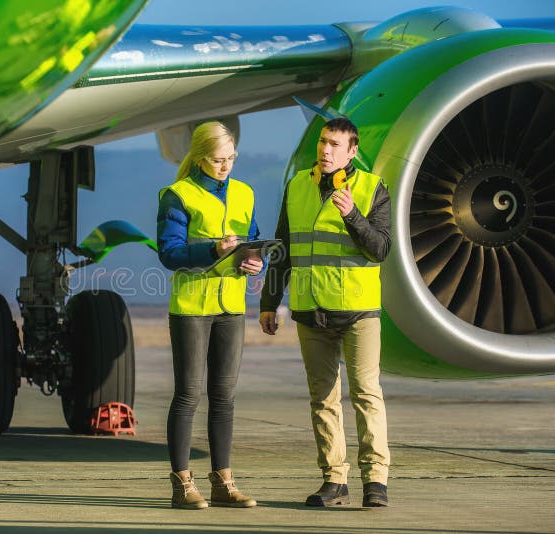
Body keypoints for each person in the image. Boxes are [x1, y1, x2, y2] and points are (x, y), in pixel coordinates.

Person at [259, 117, 392, 508]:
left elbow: (381, 249)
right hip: (310, 309)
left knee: (367, 395)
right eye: (322, 142)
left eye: (335, 144)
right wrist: (270, 302)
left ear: (352, 151)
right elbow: (282, 247)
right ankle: (334, 480)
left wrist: (353, 215)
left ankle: (376, 481)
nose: (326, 150)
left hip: (357, 311)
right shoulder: (297, 186)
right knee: (323, 399)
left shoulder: (370, 188)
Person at [157, 121, 261, 510]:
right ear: (200, 157)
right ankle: (182, 484)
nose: (226, 166)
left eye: (231, 158)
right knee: (188, 395)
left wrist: (255, 261)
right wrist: (213, 251)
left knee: (224, 397)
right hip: (191, 308)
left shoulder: (245, 193)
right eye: (218, 160)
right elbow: (169, 253)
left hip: (231, 306)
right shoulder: (176, 195)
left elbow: (253, 239)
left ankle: (223, 482)